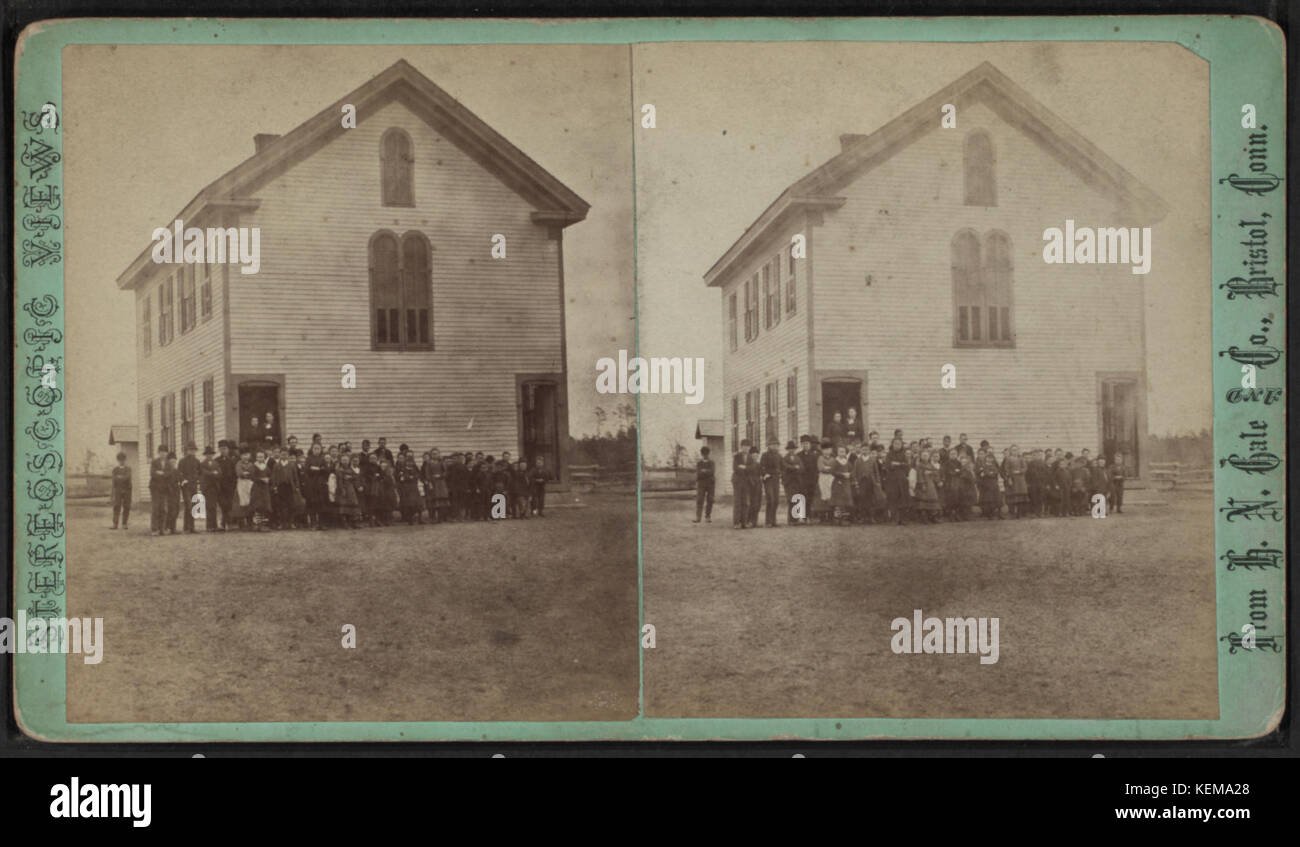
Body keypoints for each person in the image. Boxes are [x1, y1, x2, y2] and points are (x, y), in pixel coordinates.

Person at [885, 437, 910, 525]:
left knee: (903, 498)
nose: (897, 445)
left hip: (902, 480)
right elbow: (887, 465)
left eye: (899, 444)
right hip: (892, 480)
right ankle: (894, 519)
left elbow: (907, 466)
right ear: (892, 444)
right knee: (893, 498)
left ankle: (903, 519)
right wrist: (897, 465)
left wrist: (897, 464)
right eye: (895, 443)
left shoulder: (904, 455)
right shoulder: (889, 454)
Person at [148, 444, 170, 536]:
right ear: (158, 453)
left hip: (164, 489)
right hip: (155, 488)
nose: (163, 454)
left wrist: (161, 473)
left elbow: (170, 473)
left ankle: (162, 529)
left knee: (164, 509)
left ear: (166, 453)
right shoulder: (154, 462)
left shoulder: (168, 463)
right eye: (161, 452)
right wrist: (161, 473)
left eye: (165, 452)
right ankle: (154, 529)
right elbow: (152, 473)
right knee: (155, 508)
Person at [760, 438, 782, 527]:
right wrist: (765, 473)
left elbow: (783, 467)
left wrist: (781, 473)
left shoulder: (779, 456)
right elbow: (762, 467)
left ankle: (773, 520)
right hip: (768, 480)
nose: (774, 447)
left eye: (776, 445)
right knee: (770, 499)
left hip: (776, 480)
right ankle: (768, 521)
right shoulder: (765, 455)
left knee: (776, 500)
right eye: (772, 445)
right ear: (769, 446)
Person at [200, 446, 223, 532]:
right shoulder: (202, 464)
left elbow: (220, 473)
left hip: (215, 487)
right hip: (207, 488)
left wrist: (214, 474)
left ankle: (214, 525)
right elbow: (204, 473)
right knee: (209, 507)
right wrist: (213, 473)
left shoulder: (216, 463)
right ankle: (209, 526)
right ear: (205, 455)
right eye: (207, 454)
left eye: (211, 454)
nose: (209, 456)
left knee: (214, 506)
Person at [781, 440, 803, 525]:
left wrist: (796, 468)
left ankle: (796, 519)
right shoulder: (785, 458)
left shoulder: (798, 458)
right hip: (789, 482)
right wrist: (794, 467)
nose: (792, 450)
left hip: (797, 482)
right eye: (790, 449)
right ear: (788, 450)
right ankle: (790, 520)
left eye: (793, 449)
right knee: (791, 500)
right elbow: (786, 467)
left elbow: (802, 467)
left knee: (797, 499)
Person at [110, 451, 132, 530]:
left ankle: (124, 523)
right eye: (120, 460)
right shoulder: (115, 470)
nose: (121, 461)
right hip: (118, 490)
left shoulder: (128, 469)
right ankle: (115, 524)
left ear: (125, 460)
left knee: (126, 506)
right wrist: (121, 478)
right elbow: (114, 479)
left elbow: (127, 477)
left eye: (123, 460)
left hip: (127, 490)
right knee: (117, 506)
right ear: (118, 460)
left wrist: (120, 477)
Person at [731, 439, 750, 529]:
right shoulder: (737, 456)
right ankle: (736, 522)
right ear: (741, 447)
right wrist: (746, 469)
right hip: (737, 481)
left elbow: (752, 468)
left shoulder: (750, 457)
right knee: (737, 502)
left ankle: (744, 522)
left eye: (747, 446)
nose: (746, 448)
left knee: (745, 502)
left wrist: (744, 467)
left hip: (746, 482)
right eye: (744, 446)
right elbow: (735, 468)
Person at [693, 446, 715, 524]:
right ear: (702, 454)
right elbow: (698, 473)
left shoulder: (711, 462)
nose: (705, 455)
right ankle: (698, 517)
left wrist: (704, 471)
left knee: (710, 500)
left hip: (710, 484)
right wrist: (706, 472)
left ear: (708, 454)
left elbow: (712, 472)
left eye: (706, 454)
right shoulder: (699, 463)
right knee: (700, 500)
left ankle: (708, 516)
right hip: (701, 484)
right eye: (703, 454)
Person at [977, 453, 1002, 519]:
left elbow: (996, 473)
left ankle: (998, 514)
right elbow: (984, 473)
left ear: (993, 459)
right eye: (988, 458)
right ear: (986, 459)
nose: (989, 459)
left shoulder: (994, 466)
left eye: (991, 458)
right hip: (986, 485)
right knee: (988, 499)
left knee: (996, 499)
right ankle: (988, 514)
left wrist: (989, 473)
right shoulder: (983, 466)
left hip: (994, 484)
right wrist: (989, 473)